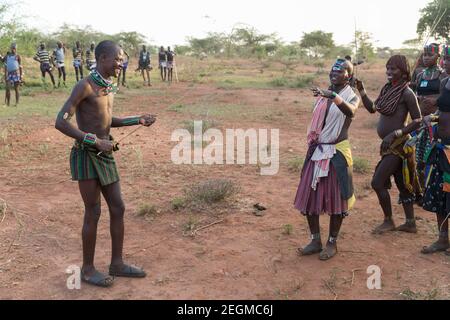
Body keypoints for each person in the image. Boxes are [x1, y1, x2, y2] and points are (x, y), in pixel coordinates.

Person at [55, 40, 157, 287]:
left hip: (105, 153)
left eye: (122, 59)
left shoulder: (108, 87)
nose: (121, 63)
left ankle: (117, 263)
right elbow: (61, 121)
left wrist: (137, 120)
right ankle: (88, 270)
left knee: (118, 208)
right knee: (93, 211)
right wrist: (93, 140)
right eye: (117, 59)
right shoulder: (85, 86)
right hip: (86, 155)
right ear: (102, 58)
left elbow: (107, 120)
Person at [294, 59, 360, 260]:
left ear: (348, 75)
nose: (334, 73)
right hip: (317, 150)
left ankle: (332, 242)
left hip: (337, 153)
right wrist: (328, 95)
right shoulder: (322, 96)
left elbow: (351, 111)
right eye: (332, 70)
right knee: (309, 197)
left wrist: (333, 96)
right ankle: (315, 240)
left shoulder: (351, 97)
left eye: (340, 70)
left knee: (337, 200)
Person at [355, 55, 422, 234]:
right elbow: (372, 108)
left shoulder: (407, 93)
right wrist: (361, 91)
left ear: (404, 71)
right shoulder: (387, 90)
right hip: (389, 146)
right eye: (388, 68)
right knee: (402, 183)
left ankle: (388, 220)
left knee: (377, 182)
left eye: (394, 69)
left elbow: (418, 121)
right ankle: (410, 223)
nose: (389, 72)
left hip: (398, 146)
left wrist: (396, 133)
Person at [421, 45, 450, 255]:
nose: (447, 63)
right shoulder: (445, 82)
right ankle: (442, 239)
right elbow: (442, 109)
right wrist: (432, 117)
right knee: (440, 193)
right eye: (446, 60)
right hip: (441, 145)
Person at [414, 44, 446, 192]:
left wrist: (434, 100)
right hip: (421, 121)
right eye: (424, 55)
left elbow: (445, 100)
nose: (426, 58)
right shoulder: (420, 75)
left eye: (430, 55)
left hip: (435, 122)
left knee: (430, 157)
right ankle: (420, 190)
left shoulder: (443, 76)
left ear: (438, 57)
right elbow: (414, 95)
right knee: (418, 159)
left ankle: (429, 189)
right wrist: (418, 98)